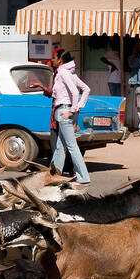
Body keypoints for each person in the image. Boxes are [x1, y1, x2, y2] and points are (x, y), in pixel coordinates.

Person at [35, 48, 92, 185]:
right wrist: (77, 107)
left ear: (60, 60)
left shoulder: (62, 72)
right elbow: (86, 89)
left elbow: (74, 91)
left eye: (54, 57)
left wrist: (73, 110)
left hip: (64, 111)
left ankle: (83, 177)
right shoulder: (69, 72)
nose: (52, 59)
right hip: (64, 111)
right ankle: (54, 173)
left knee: (72, 146)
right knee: (61, 147)